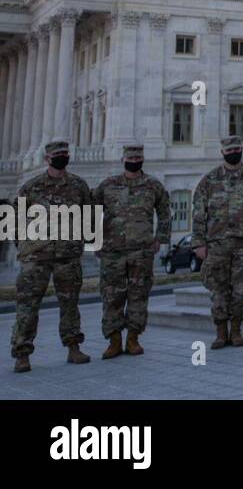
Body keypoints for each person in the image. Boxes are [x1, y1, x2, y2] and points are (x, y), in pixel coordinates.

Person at [10, 141, 93, 372]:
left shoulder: (78, 185)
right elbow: (14, 219)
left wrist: (84, 242)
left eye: (65, 154)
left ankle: (73, 347)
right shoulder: (31, 187)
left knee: (70, 305)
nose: (62, 157)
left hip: (67, 256)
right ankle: (22, 354)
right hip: (36, 258)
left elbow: (89, 217)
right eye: (57, 155)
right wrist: (24, 247)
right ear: (47, 159)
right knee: (28, 306)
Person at [192, 136, 243, 349]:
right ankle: (221, 332)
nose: (233, 153)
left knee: (240, 289)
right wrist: (198, 242)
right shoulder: (209, 180)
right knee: (218, 290)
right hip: (216, 245)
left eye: (237, 149)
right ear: (222, 153)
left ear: (242, 149)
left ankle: (236, 330)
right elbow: (199, 212)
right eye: (229, 150)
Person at [94, 143, 170, 358]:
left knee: (139, 295)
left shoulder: (153, 185)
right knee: (111, 297)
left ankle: (133, 338)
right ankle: (114, 340)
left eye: (138, 159)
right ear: (123, 160)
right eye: (131, 159)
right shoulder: (107, 185)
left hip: (142, 251)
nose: (134, 162)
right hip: (112, 251)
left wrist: (160, 238)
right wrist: (94, 241)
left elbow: (165, 211)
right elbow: (92, 212)